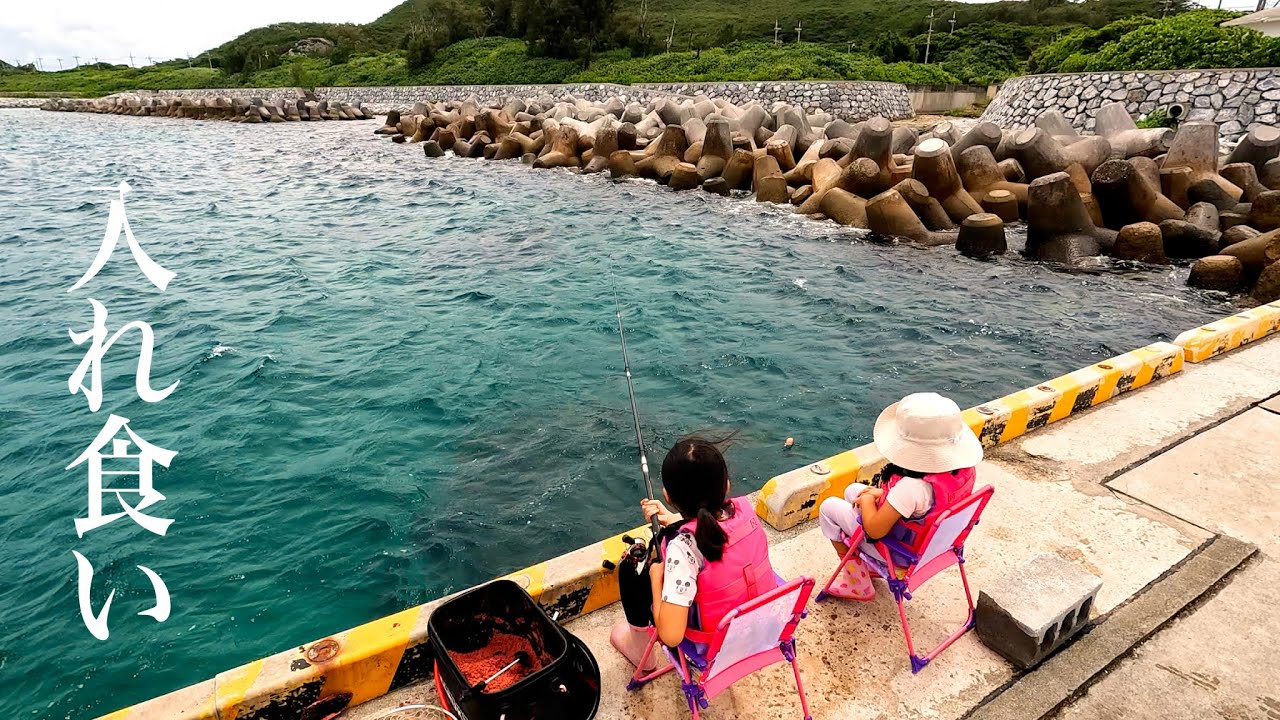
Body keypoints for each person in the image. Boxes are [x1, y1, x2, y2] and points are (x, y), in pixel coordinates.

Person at [611, 436, 778, 667]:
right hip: (762, 627)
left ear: (668, 496)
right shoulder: (745, 514)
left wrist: (656, 578)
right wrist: (673, 521)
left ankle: (642, 654)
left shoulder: (682, 551)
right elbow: (715, 536)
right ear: (726, 484)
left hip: (716, 647)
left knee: (632, 569)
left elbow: (672, 635)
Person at [817, 392, 983, 600]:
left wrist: (869, 500)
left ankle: (857, 583)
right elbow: (925, 507)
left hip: (902, 555)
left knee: (829, 507)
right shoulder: (963, 472)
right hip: (937, 546)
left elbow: (875, 530)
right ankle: (864, 570)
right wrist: (879, 494)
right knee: (853, 490)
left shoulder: (911, 487)